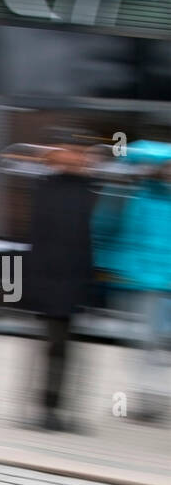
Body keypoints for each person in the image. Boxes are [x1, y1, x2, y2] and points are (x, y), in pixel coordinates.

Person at [19, 134, 96, 432]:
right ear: (57, 157)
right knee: (56, 347)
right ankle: (48, 409)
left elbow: (89, 237)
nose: (78, 158)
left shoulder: (89, 189)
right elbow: (39, 239)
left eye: (81, 154)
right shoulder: (46, 188)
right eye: (71, 152)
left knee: (69, 349)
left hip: (75, 281)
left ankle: (61, 409)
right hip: (52, 281)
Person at [94, 142, 171, 423]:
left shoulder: (129, 197)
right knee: (146, 343)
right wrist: (105, 265)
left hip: (151, 281)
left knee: (150, 343)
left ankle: (151, 399)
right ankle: (149, 398)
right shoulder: (128, 197)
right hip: (140, 281)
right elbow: (104, 229)